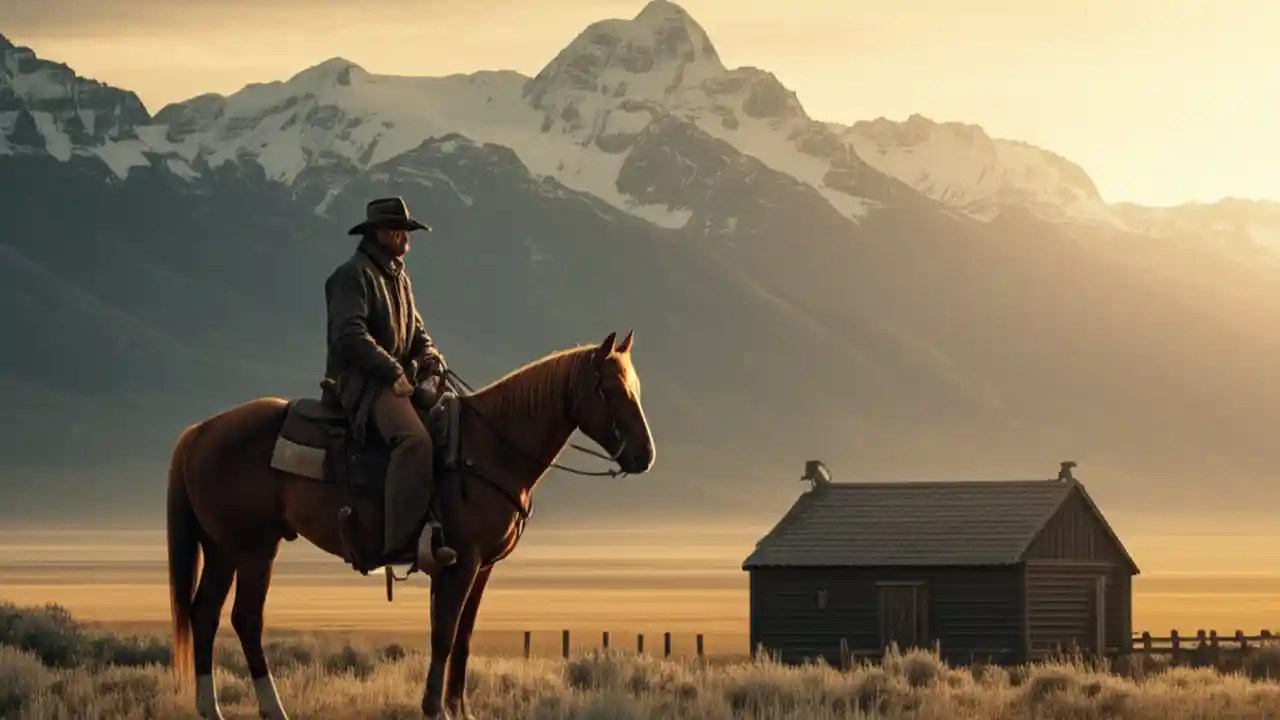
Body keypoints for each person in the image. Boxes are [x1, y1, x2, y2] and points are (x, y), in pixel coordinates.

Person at [321, 196, 456, 573]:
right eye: (397, 229)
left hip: (395, 378)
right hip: (362, 384)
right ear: (377, 234)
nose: (404, 236)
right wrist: (393, 371)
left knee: (451, 421)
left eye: (406, 229)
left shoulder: (398, 277)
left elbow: (418, 333)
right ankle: (400, 543)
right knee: (415, 440)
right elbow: (350, 335)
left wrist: (431, 360)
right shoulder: (353, 275)